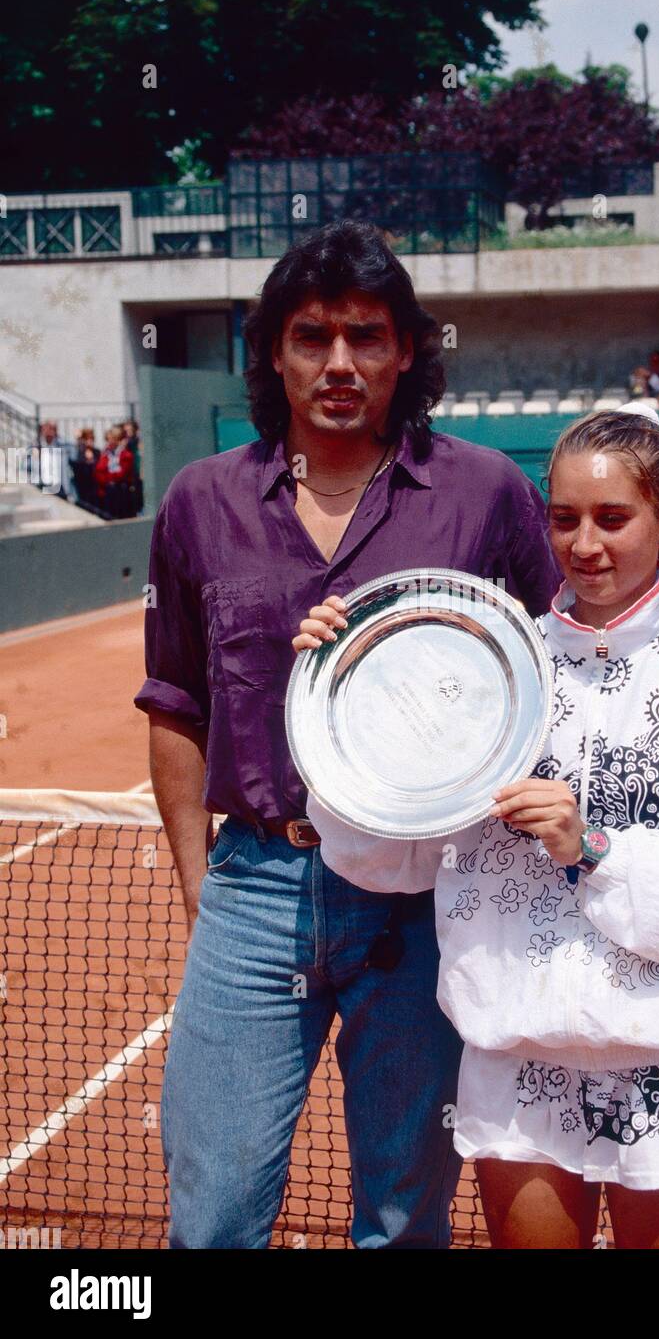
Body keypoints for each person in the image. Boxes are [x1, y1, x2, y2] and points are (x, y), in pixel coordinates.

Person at [133, 219, 561, 1250]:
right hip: (255, 889)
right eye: (311, 337)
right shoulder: (200, 502)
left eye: (366, 336)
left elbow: (558, 669)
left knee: (404, 1215)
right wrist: (206, 886)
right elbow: (173, 703)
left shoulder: (485, 491)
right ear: (272, 352)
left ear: (406, 350)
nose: (338, 363)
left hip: (420, 898)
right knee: (216, 1212)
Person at [303, 405, 659, 1250]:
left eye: (613, 518)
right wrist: (345, 692)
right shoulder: (483, 670)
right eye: (565, 518)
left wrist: (597, 852)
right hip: (517, 1074)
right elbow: (385, 857)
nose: (585, 544)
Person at [95, 423, 136, 519]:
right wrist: (109, 478)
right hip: (108, 492)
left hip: (122, 492)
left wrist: (108, 476)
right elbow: (98, 472)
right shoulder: (105, 454)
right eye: (108, 439)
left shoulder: (126, 455)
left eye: (111, 439)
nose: (109, 442)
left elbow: (122, 475)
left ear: (117, 440)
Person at [70, 427, 102, 510]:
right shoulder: (79, 452)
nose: (90, 441)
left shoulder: (97, 452)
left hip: (94, 487)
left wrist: (92, 460)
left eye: (92, 439)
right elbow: (76, 468)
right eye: (88, 439)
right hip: (82, 487)